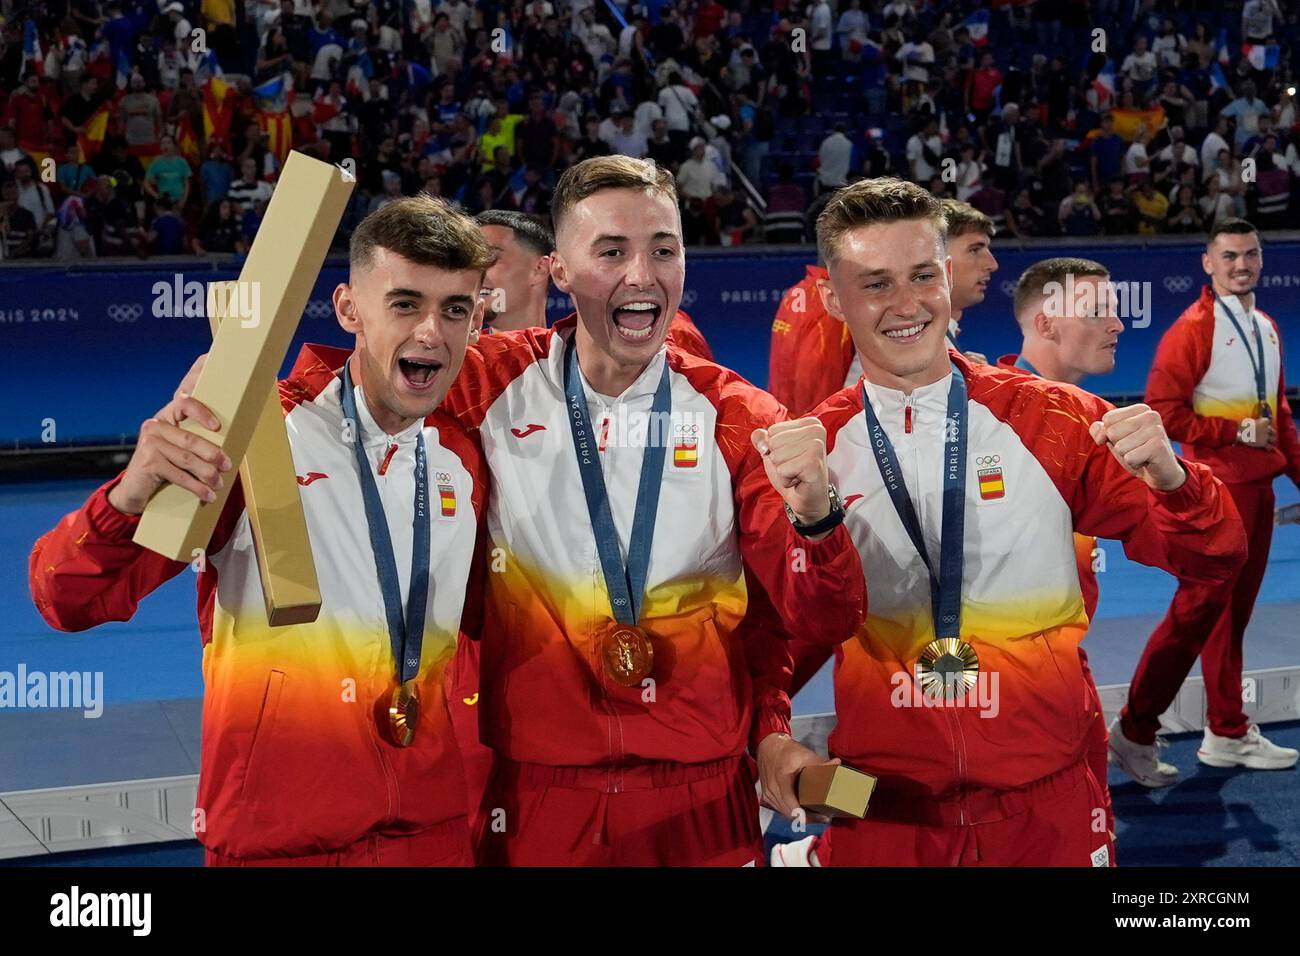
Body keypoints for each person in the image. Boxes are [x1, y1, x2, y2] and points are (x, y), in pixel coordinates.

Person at [762, 177, 1245, 867]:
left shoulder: (1054, 420)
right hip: (887, 810)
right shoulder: (813, 453)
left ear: (945, 275)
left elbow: (1214, 560)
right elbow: (792, 629)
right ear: (835, 298)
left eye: (923, 275)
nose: (906, 304)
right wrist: (773, 733)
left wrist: (1179, 482)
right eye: (875, 284)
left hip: (1047, 805)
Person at [29, 197, 495, 865]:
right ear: (348, 309)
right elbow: (65, 598)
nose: (431, 332)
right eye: (404, 303)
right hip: (281, 843)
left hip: (432, 837)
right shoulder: (255, 436)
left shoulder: (466, 456)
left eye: (455, 309)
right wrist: (129, 495)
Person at [440, 155, 866, 866]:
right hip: (540, 794)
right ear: (560, 270)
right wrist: (224, 409)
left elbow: (817, 615)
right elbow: (358, 395)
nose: (642, 274)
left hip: (702, 795)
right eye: (612, 251)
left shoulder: (738, 416)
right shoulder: (488, 383)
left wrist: (819, 520)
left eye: (663, 250)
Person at [1111, 219, 1300, 785]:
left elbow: (1280, 417)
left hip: (1258, 491)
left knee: (1230, 618)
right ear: (1208, 264)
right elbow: (1161, 410)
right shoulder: (1193, 328)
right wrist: (1237, 434)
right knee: (1197, 614)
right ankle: (1135, 728)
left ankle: (1225, 730)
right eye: (1229, 256)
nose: (1241, 265)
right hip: (1215, 497)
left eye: (1250, 254)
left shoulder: (1265, 327)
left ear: (1261, 260)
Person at [994, 257, 1128, 842]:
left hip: (1062, 669)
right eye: (1098, 312)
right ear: (1046, 325)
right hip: (993, 686)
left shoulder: (1086, 422)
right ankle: (824, 847)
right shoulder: (990, 422)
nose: (1117, 324)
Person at [768, 199, 995, 416]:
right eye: (974, 249)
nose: (992, 264)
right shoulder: (842, 307)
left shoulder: (799, 293)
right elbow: (824, 392)